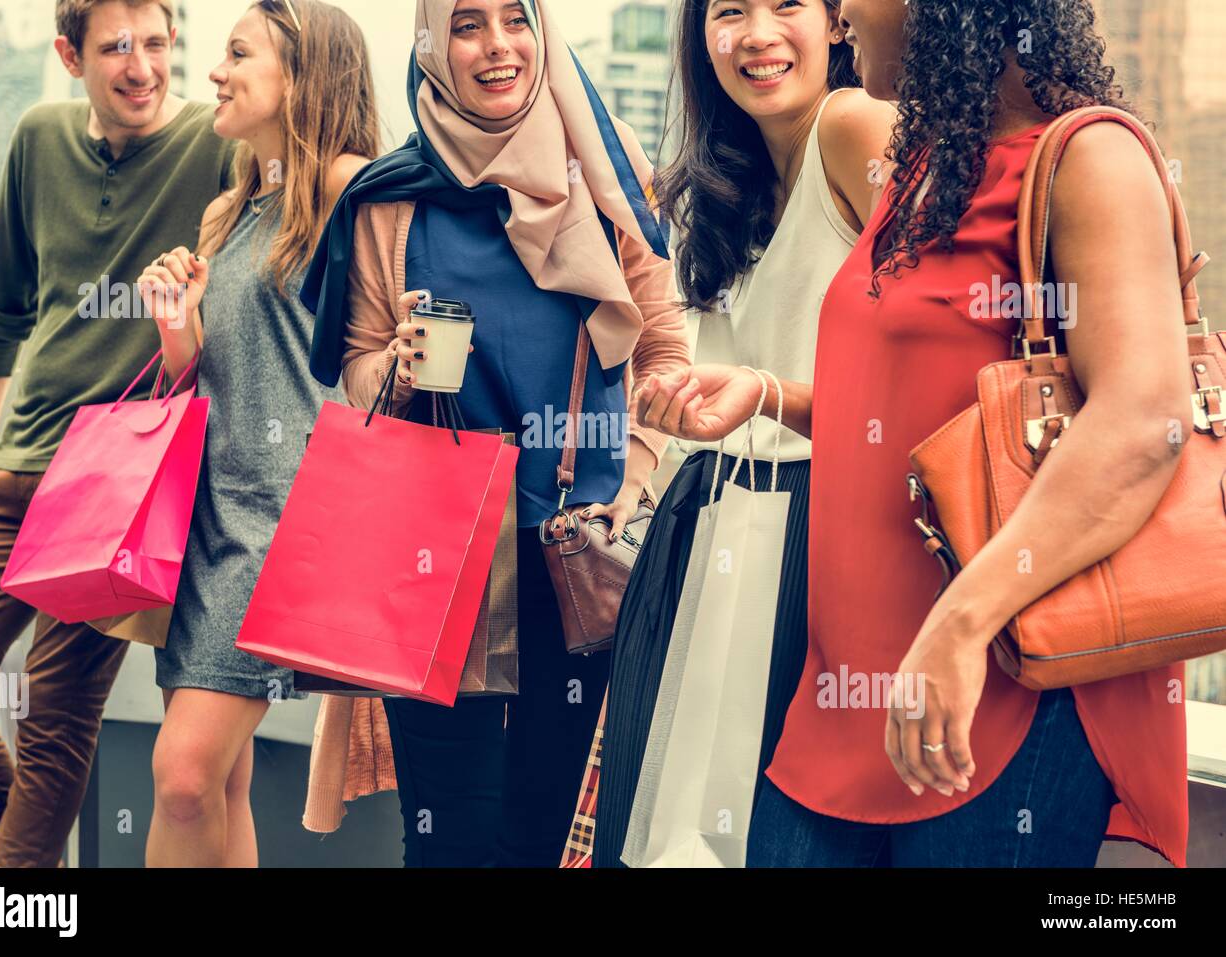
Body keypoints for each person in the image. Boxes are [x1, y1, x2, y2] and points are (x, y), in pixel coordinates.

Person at [638, 0, 1191, 867]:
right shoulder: (922, 172)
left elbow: (1142, 421)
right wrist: (766, 394)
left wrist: (961, 624)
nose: (845, 14)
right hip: (848, 694)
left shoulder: (1091, 155)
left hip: (1000, 686)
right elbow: (915, 418)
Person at [301, 0, 692, 867]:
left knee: (552, 828)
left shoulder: (603, 163)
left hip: (575, 543)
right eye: (467, 23)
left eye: (516, 18)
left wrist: (631, 479)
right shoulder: (389, 195)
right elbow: (356, 368)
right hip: (436, 557)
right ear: (433, 43)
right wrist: (399, 365)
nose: (497, 45)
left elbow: (662, 342)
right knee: (450, 835)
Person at [0, 0, 235, 868]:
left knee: (54, 723)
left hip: (120, 484)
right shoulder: (35, 136)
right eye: (116, 49)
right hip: (14, 459)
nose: (141, 68)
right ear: (69, 55)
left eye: (156, 44)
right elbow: (0, 312)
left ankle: (16, 896)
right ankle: (30, 882)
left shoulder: (218, 143)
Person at [591, 0, 894, 867]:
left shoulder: (851, 122)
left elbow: (946, 329)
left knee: (765, 829)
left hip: (813, 521)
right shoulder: (719, 173)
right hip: (711, 513)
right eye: (729, 11)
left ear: (838, 24)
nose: (758, 33)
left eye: (785, 5)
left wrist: (766, 393)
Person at [136, 0, 378, 867]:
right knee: (222, 783)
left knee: (182, 775)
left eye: (239, 53)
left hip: (284, 524)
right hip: (209, 515)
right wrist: (176, 325)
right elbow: (200, 379)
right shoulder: (228, 211)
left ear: (302, 76)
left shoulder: (352, 189)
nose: (214, 72)